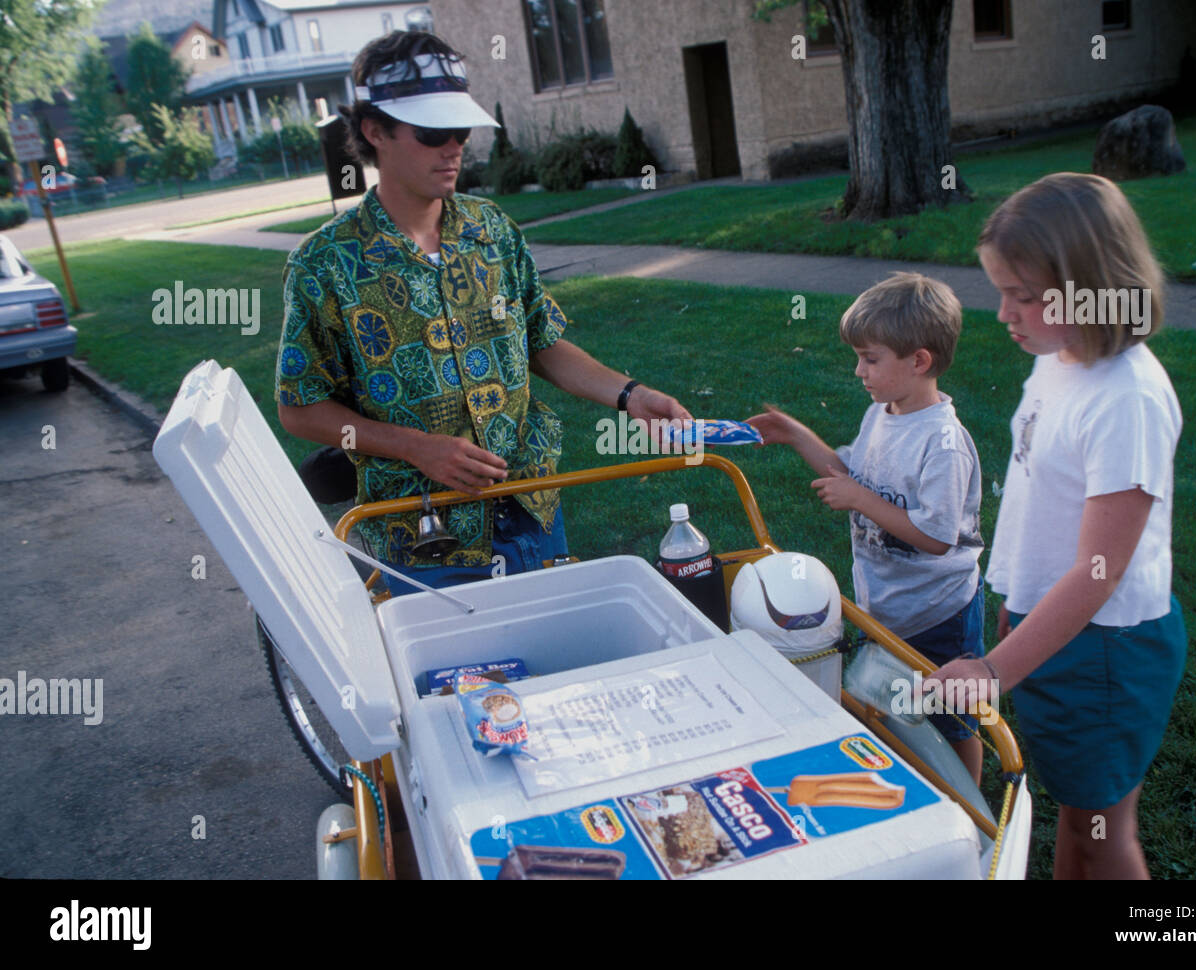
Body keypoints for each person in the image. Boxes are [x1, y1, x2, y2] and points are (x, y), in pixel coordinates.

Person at [275, 30, 689, 593]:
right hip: (423, 531)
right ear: (375, 132)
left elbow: (542, 342)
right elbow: (300, 409)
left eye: (461, 131)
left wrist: (631, 395)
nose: (454, 147)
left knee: (549, 659)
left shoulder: (491, 229)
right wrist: (416, 447)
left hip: (531, 503)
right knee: (460, 679)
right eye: (433, 133)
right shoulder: (324, 264)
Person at [929, 172, 1186, 879]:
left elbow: (1098, 575)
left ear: (1098, 285)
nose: (1005, 312)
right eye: (1000, 290)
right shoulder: (1060, 359)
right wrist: (1017, 615)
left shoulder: (1127, 398)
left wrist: (991, 669)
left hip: (1103, 651)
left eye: (1025, 295)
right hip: (1052, 630)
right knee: (1079, 816)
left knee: (1103, 835)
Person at [747, 272, 986, 783]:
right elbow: (847, 471)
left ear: (919, 361)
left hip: (939, 612)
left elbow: (938, 538)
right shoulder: (883, 411)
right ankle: (919, 779)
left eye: (870, 359)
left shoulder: (941, 444)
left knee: (953, 719)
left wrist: (862, 501)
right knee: (899, 705)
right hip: (888, 605)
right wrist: (795, 435)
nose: (859, 371)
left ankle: (976, 808)